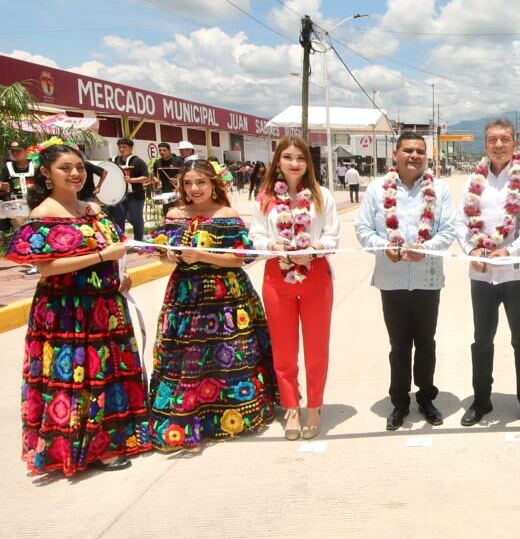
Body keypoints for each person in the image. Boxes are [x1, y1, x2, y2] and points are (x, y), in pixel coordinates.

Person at [7, 142, 149, 476]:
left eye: (79, 168)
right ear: (46, 173)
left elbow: (116, 251)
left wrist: (121, 274)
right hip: (68, 310)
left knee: (105, 373)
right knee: (77, 377)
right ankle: (87, 447)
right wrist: (103, 257)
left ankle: (112, 440)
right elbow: (47, 267)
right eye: (65, 168)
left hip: (105, 305)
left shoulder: (90, 209)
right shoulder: (44, 214)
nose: (74, 174)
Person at [145, 159, 277, 451]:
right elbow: (163, 257)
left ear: (214, 183)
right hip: (185, 295)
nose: (194, 189)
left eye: (201, 182)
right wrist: (174, 256)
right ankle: (192, 415)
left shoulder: (226, 214)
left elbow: (240, 257)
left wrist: (202, 255)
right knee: (186, 356)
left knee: (227, 354)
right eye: (188, 183)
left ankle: (229, 414)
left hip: (225, 295)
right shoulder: (175, 214)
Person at [354, 133, 456, 431]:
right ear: (395, 154)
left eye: (420, 151)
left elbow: (448, 230)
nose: (414, 155)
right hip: (392, 279)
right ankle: (399, 401)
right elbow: (363, 229)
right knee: (398, 346)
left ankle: (426, 398)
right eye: (408, 150)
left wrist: (426, 248)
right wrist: (383, 247)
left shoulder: (439, 190)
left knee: (426, 343)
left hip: (427, 279)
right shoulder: (376, 189)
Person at [456, 117, 520, 435]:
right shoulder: (473, 182)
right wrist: (473, 251)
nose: (498, 145)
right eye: (492, 139)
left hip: (518, 273)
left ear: (515, 143)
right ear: (485, 144)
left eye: (504, 139)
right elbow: (460, 223)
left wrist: (509, 251)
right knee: (482, 341)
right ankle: (482, 400)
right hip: (482, 275)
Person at [250, 136, 340, 440]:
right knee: (284, 349)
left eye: (300, 158)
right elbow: (256, 236)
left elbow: (332, 237)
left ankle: (314, 406)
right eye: (288, 157)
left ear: (308, 163)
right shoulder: (265, 197)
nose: (294, 163)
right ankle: (291, 407)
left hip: (315, 276)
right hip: (277, 277)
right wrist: (272, 244)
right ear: (278, 161)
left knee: (316, 349)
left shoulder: (321, 195)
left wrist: (314, 248)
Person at [110, 138, 149, 241]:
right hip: (119, 196)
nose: (122, 149)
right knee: (119, 219)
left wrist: (131, 180)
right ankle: (121, 241)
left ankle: (138, 241)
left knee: (136, 219)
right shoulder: (113, 160)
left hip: (136, 196)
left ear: (131, 148)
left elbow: (146, 177)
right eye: (120, 147)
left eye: (124, 147)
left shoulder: (138, 161)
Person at [153, 142, 184, 215]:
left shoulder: (178, 161)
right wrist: (157, 181)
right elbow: (154, 175)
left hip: (178, 190)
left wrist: (177, 180)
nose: (161, 152)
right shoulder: (157, 163)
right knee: (167, 213)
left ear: (169, 150)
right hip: (165, 192)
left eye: (164, 150)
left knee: (179, 211)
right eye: (160, 150)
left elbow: (185, 174)